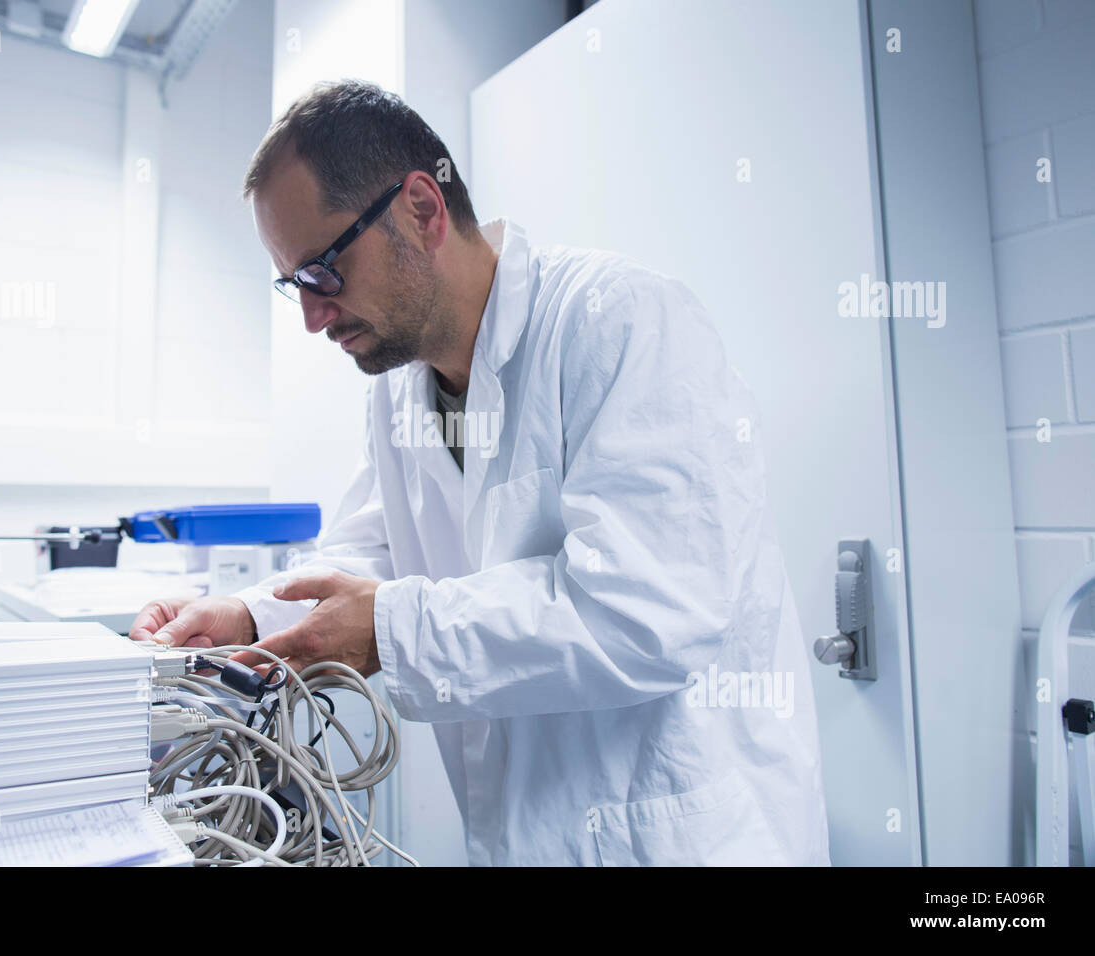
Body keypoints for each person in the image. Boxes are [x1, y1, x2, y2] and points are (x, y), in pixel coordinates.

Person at [130, 80, 830, 866]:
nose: (313, 316)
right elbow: (380, 554)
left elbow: (649, 609)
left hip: (679, 838)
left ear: (422, 209)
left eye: (324, 270)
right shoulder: (400, 387)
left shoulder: (620, 322)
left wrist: (393, 631)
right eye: (295, 284)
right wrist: (253, 617)